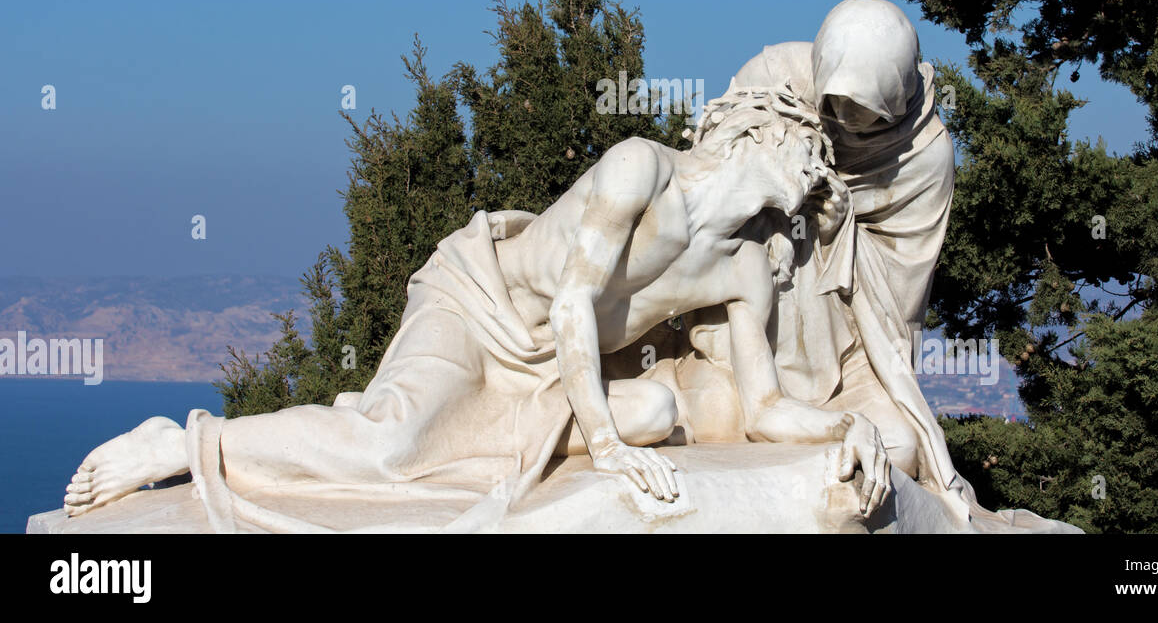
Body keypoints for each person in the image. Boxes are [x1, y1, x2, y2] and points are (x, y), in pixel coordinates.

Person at [63, 89, 892, 524]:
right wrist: (602, 445)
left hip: (552, 374)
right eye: (814, 157)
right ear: (767, 137)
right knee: (393, 441)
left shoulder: (746, 269)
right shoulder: (643, 169)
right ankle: (182, 442)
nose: (822, 178)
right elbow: (573, 302)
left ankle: (500, 434)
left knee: (656, 407)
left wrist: (845, 427)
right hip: (483, 305)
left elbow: (769, 406)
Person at [640, 0, 972, 514]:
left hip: (851, 341)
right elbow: (705, 181)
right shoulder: (773, 78)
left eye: (859, 115)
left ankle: (811, 411)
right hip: (755, 303)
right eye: (833, 104)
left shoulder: (923, 158)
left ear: (894, 101)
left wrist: (840, 229)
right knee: (724, 409)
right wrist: (775, 206)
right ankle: (759, 395)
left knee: (900, 447)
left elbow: (898, 296)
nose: (838, 122)